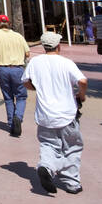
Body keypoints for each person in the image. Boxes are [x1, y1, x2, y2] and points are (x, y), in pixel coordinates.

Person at [23, 31, 88, 194]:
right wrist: (82, 95)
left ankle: (47, 166)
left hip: (45, 114)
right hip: (66, 113)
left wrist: (37, 88)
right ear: (58, 45)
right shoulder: (66, 63)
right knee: (72, 147)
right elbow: (82, 80)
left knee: (48, 144)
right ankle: (72, 182)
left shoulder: (35, 62)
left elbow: (25, 81)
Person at [0, 14, 31, 136]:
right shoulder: (18, 36)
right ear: (9, 24)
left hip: (3, 69)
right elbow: (28, 53)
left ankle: (11, 124)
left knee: (8, 98)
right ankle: (18, 118)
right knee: (21, 97)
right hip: (18, 68)